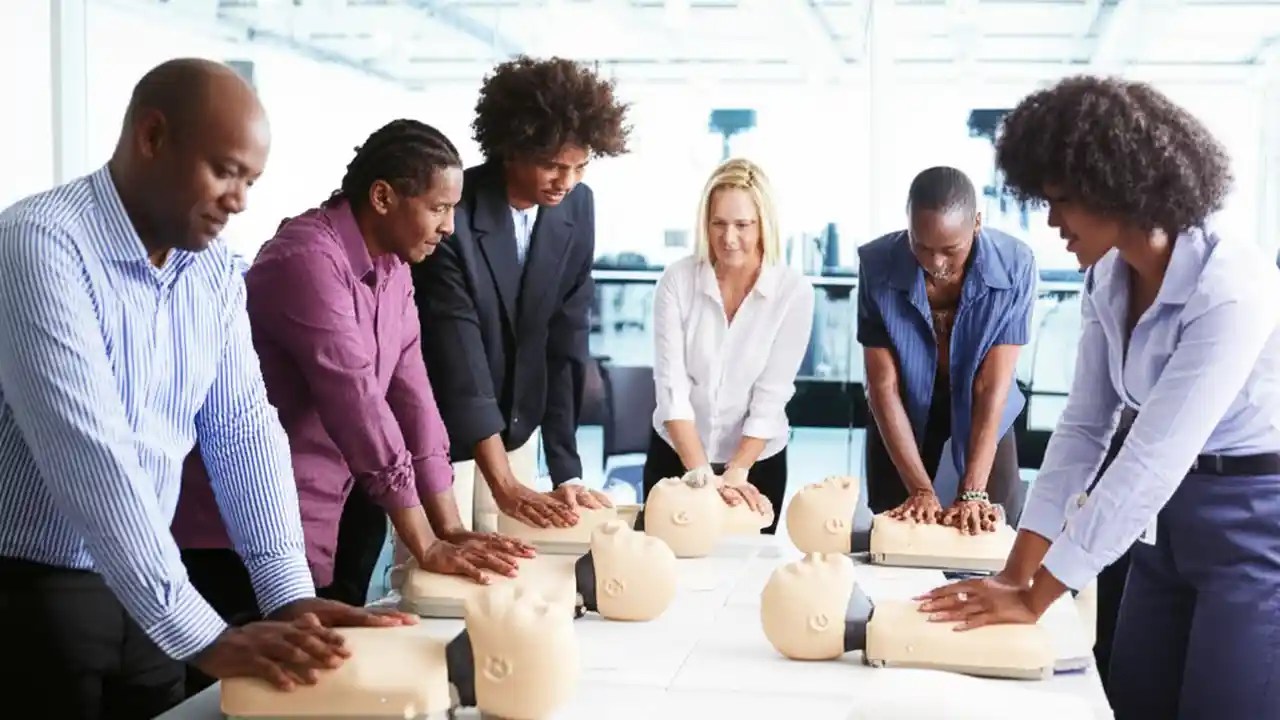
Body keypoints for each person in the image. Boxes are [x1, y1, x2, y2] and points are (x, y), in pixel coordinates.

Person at [0, 58, 408, 720]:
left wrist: (287, 595)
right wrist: (204, 636)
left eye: (250, 181)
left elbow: (243, 429)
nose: (239, 199)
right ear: (151, 137)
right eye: (224, 171)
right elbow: (90, 454)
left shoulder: (212, 269)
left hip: (156, 581)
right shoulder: (40, 245)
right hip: (40, 591)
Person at [917, 76, 1280, 720]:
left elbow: (1152, 457)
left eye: (1062, 200)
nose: (1051, 220)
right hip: (1159, 519)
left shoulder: (1231, 283)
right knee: (1132, 696)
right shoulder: (1109, 278)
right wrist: (1015, 573)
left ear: (1120, 187)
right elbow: (1084, 429)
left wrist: (1037, 598)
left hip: (1251, 521)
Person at [172, 119, 534, 633]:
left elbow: (414, 398)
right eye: (438, 208)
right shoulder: (306, 258)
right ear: (383, 197)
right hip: (241, 532)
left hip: (333, 515)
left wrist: (450, 527)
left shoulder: (395, 269)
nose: (449, 227)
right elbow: (356, 402)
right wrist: (424, 543)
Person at [410, 56, 630, 533]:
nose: (566, 182)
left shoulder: (578, 206)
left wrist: (566, 470)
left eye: (580, 167)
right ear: (511, 149)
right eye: (552, 166)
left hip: (518, 428)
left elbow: (566, 343)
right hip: (441, 429)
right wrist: (503, 482)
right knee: (439, 564)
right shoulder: (454, 209)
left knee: (512, 558)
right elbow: (458, 354)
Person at [857, 166, 1035, 534]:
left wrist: (973, 491)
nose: (935, 263)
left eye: (950, 250)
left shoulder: (1016, 265)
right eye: (921, 246)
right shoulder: (876, 265)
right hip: (902, 403)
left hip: (984, 402)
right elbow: (883, 386)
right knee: (893, 522)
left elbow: (992, 385)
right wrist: (920, 490)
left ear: (977, 224)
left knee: (993, 519)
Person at [641, 158, 814, 533]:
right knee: (667, 562)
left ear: (763, 224)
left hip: (756, 463)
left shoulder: (793, 292)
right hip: (676, 456)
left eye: (742, 225)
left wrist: (737, 471)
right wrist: (701, 474)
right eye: (718, 223)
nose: (729, 238)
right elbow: (672, 389)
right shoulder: (677, 280)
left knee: (745, 566)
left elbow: (772, 394)